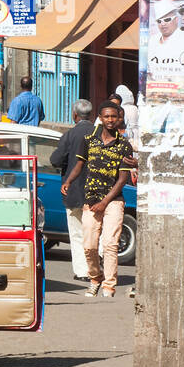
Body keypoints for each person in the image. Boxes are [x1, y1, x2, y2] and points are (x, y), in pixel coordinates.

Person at [61, 100, 135, 297]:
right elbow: (79, 164)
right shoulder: (89, 140)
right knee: (89, 245)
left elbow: (122, 179)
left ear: (119, 119)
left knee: (110, 244)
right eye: (106, 116)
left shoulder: (124, 145)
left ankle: (108, 286)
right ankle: (95, 277)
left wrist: (105, 202)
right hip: (91, 200)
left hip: (113, 200)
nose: (110, 120)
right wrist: (68, 181)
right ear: (100, 119)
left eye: (114, 116)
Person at [50, 99, 96, 281]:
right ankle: (95, 269)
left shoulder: (70, 135)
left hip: (74, 191)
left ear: (75, 115)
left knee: (77, 233)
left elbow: (55, 159)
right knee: (94, 232)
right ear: (90, 115)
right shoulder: (99, 134)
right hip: (97, 192)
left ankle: (82, 271)